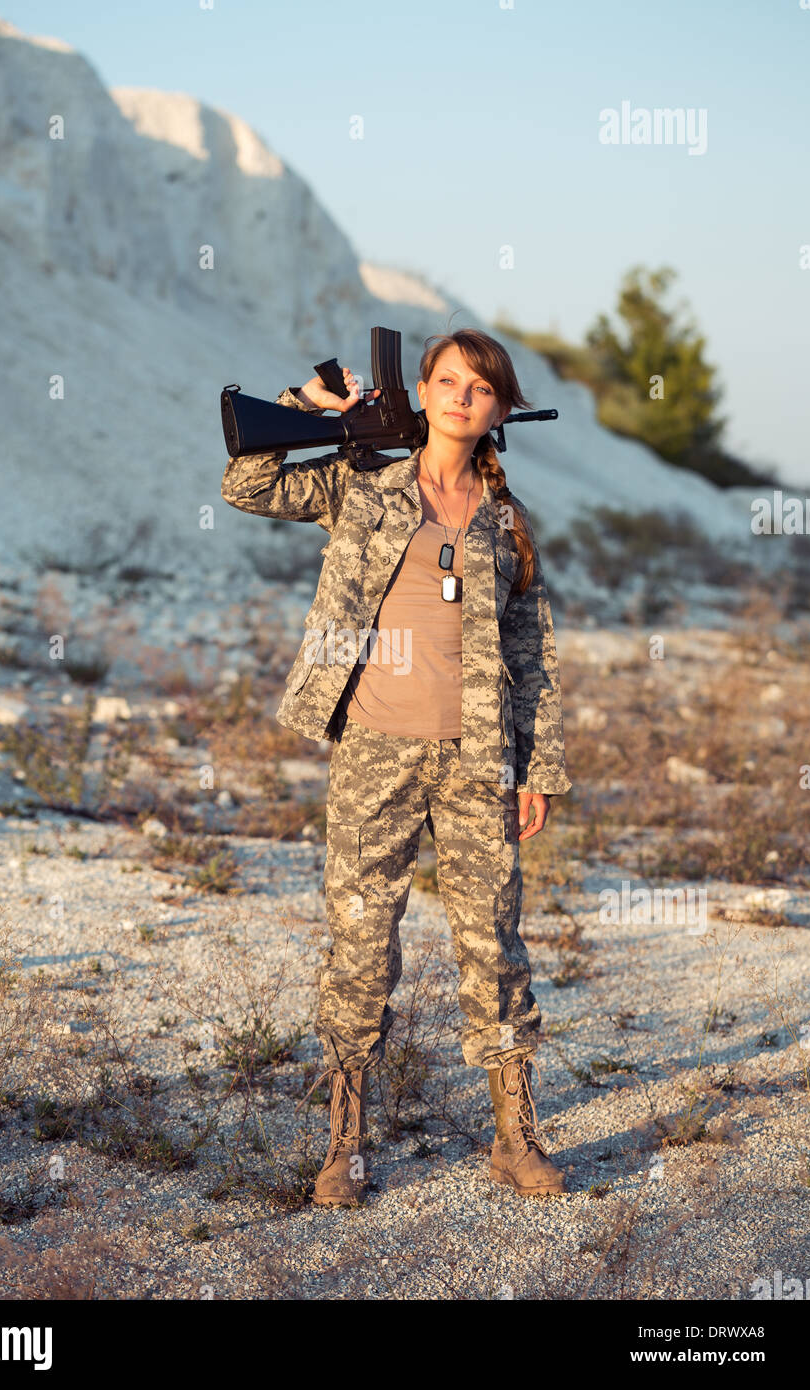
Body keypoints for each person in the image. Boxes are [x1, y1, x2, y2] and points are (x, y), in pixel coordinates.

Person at [221, 327, 572, 1206]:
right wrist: (313, 403)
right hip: (375, 748)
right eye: (446, 380)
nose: (461, 396)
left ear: (500, 407)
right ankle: (346, 1141)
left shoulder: (506, 519)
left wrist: (537, 768)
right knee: (360, 946)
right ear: (421, 391)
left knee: (493, 943)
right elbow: (245, 482)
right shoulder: (362, 486)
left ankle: (513, 1135)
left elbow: (533, 651)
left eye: (480, 387)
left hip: (478, 759)